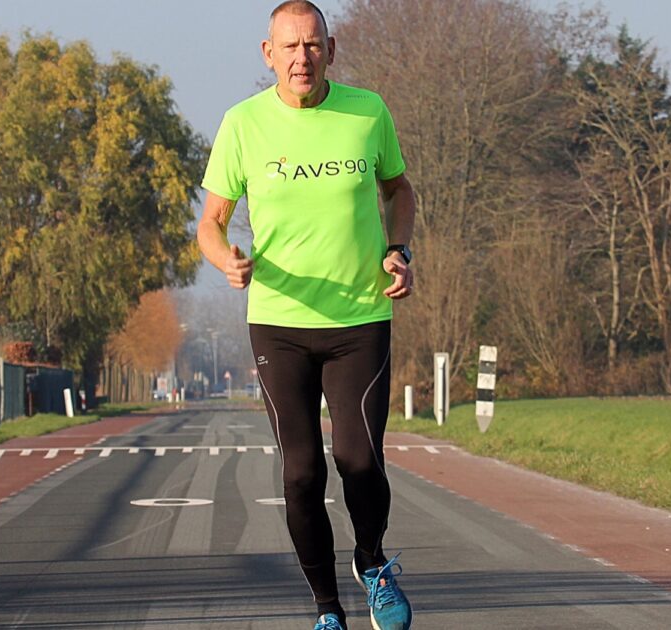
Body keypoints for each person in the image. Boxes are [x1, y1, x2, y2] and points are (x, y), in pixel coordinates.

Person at [196, 2, 416, 628]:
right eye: (289, 47)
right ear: (268, 54)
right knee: (300, 472)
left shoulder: (367, 112)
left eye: (313, 45)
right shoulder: (243, 125)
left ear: (331, 49)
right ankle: (326, 610)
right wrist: (225, 263)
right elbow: (209, 225)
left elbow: (398, 189)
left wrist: (398, 249)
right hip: (279, 323)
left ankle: (372, 563)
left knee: (360, 460)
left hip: (359, 319)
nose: (302, 57)